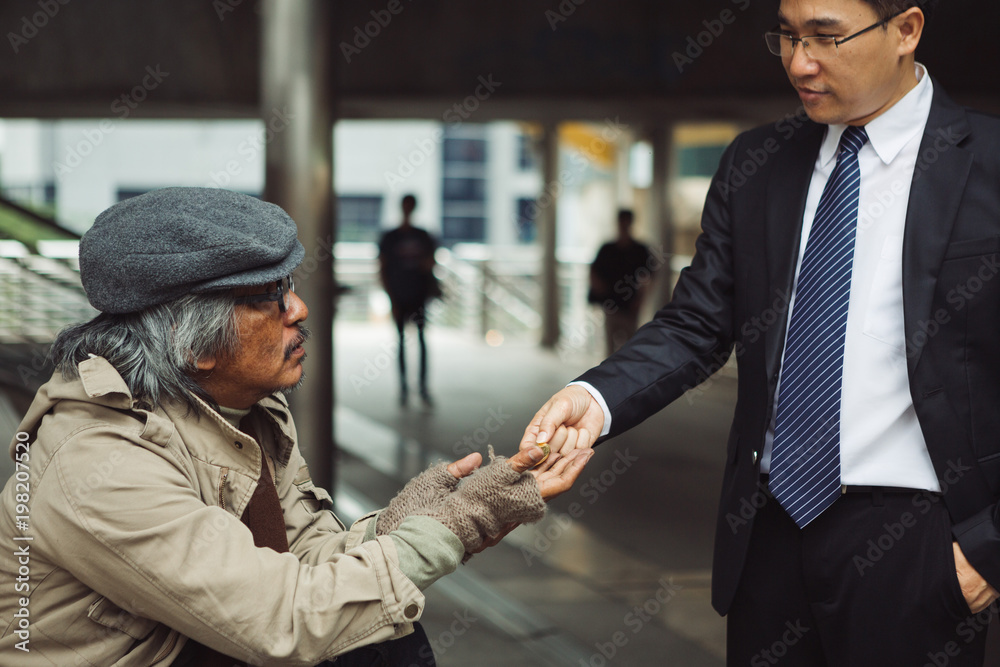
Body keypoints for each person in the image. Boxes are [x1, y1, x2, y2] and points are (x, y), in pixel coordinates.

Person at [520, 2, 1000, 665]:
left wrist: (989, 551)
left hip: (919, 543)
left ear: (907, 31)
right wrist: (595, 399)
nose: (800, 62)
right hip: (768, 536)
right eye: (788, 36)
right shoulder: (758, 162)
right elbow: (696, 324)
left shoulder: (989, 164)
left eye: (827, 37)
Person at [0, 187, 593, 666]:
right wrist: (453, 528)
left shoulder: (240, 407)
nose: (298, 309)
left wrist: (406, 522)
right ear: (195, 343)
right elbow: (284, 622)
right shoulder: (99, 460)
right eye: (268, 296)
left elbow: (299, 559)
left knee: (377, 633)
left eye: (289, 286)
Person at [378, 194, 439, 407]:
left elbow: (431, 264)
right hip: (400, 296)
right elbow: (382, 268)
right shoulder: (391, 237)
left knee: (420, 340)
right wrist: (390, 296)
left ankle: (421, 387)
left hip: (418, 295)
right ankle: (404, 387)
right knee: (402, 340)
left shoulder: (423, 236)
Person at [589, 209, 654, 354]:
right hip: (611, 304)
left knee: (629, 348)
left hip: (630, 306)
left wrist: (640, 300)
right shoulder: (608, 249)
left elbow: (648, 278)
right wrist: (599, 290)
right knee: (610, 348)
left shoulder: (639, 250)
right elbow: (593, 270)